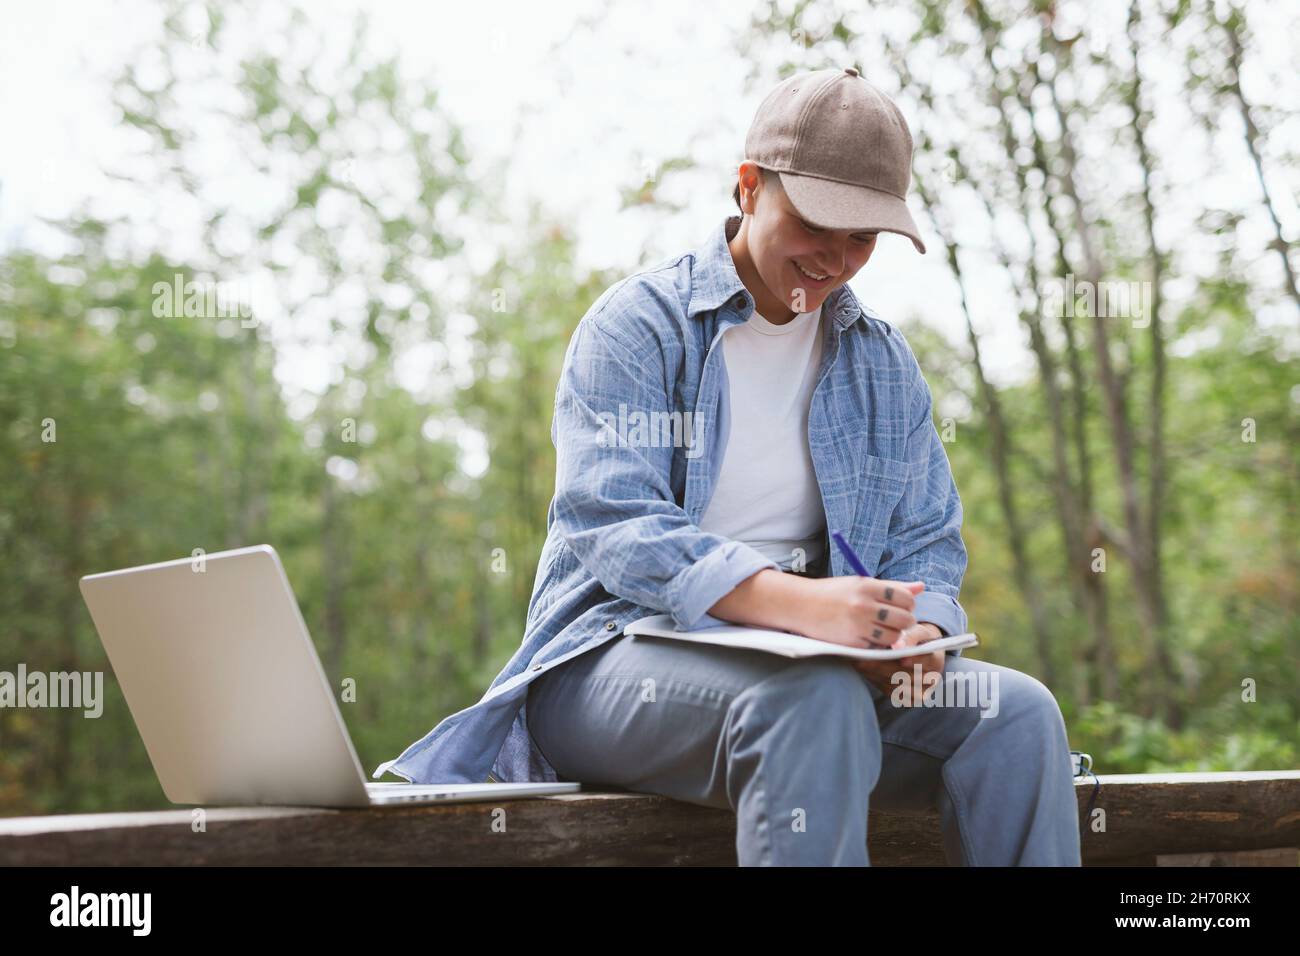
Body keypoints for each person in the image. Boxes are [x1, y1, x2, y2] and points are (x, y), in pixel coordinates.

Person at [374, 67, 1082, 866]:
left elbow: (928, 539)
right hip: (611, 664)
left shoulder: (883, 365)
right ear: (749, 188)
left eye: (864, 237)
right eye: (820, 222)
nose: (838, 258)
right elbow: (616, 522)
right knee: (811, 702)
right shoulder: (638, 326)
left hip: (830, 674)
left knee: (1017, 714)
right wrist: (800, 607)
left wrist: (917, 632)